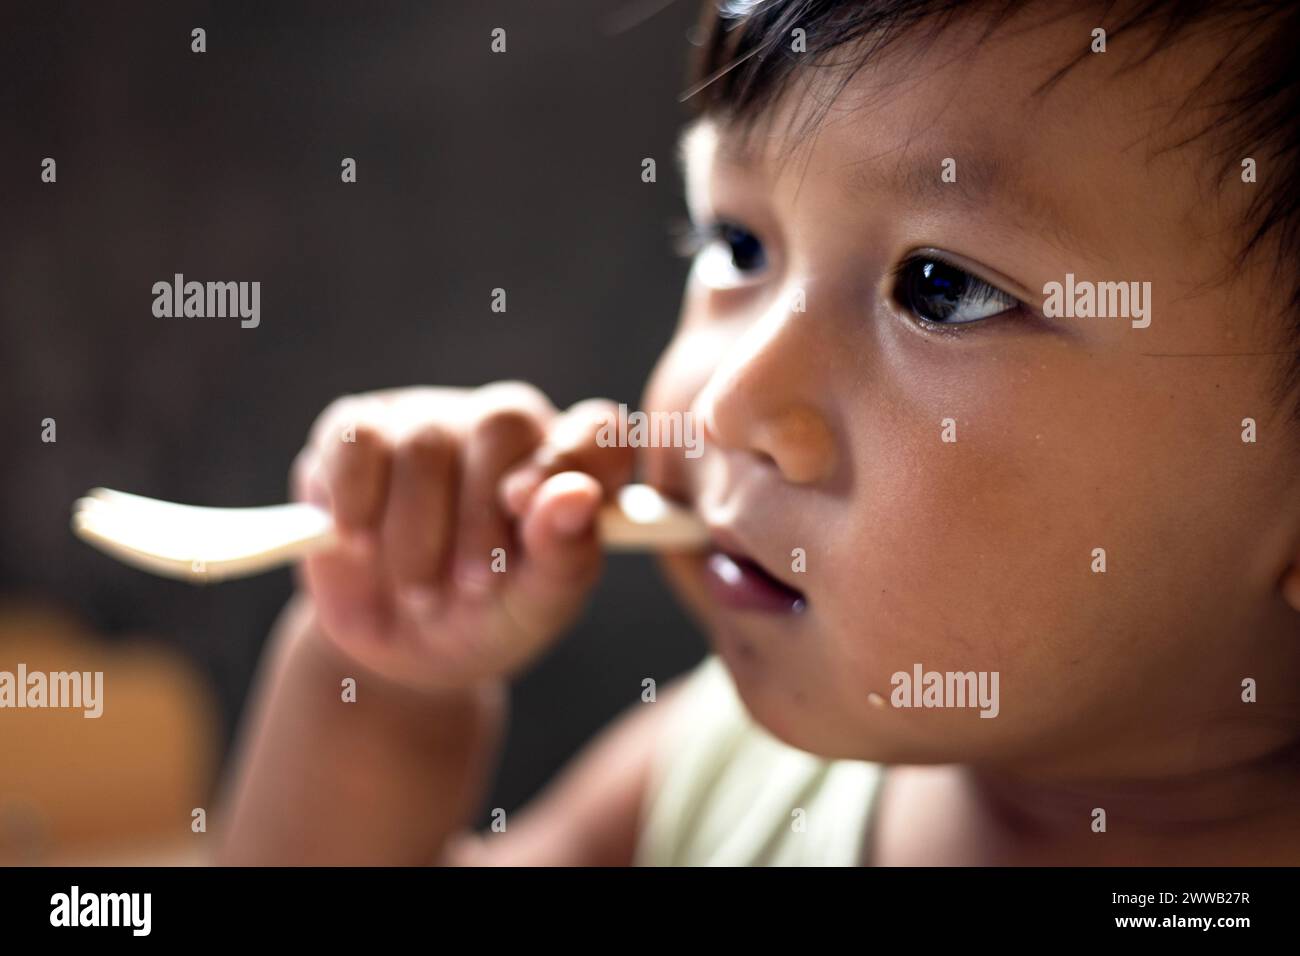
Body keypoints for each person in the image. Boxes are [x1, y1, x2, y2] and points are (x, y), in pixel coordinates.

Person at [216, 0, 1300, 865]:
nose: (730, 399)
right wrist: (388, 673)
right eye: (738, 241)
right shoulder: (723, 777)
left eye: (942, 289)